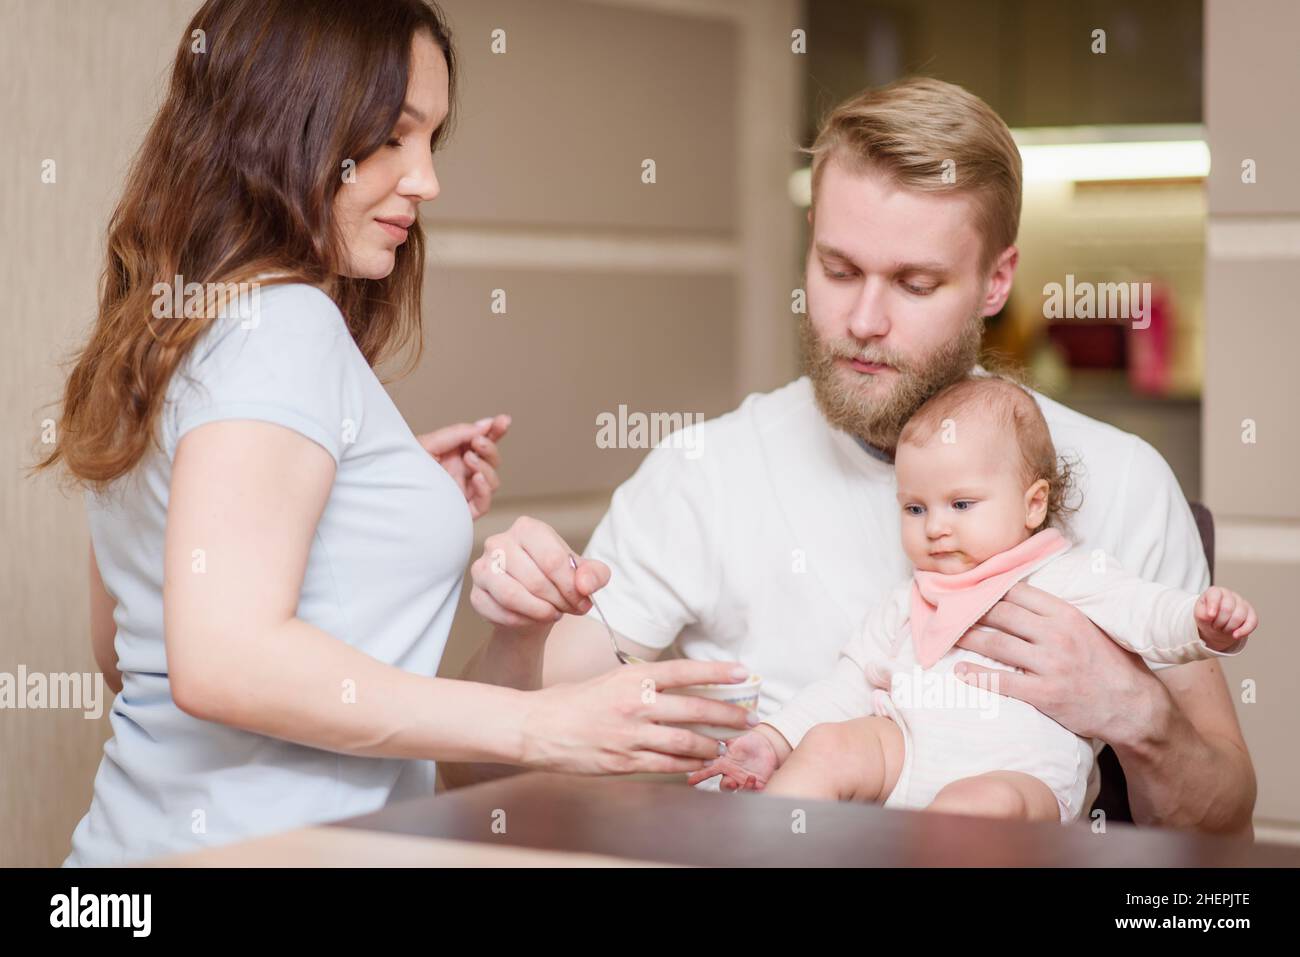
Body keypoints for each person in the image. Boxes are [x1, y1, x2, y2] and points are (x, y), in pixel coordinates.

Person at [39, 0, 752, 867]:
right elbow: (219, 658)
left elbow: (127, 653)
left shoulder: (162, 333)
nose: (425, 180)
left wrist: (371, 488)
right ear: (286, 125)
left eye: (432, 142)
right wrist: (544, 724)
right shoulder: (285, 325)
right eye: (391, 137)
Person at [449, 77, 1258, 836]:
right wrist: (520, 638)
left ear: (995, 280)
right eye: (838, 270)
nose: (863, 319)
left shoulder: (1120, 480)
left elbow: (1224, 830)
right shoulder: (707, 474)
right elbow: (473, 779)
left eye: (913, 283)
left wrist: (1132, 709)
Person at [688, 374, 1257, 823]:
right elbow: (848, 684)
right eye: (915, 508)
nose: (935, 527)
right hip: (906, 755)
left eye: (961, 505)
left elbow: (1144, 612)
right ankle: (765, 850)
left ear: (1033, 505)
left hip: (1019, 777)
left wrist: (1198, 622)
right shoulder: (910, 601)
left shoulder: (1066, 576)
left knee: (976, 809)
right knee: (831, 744)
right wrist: (772, 738)